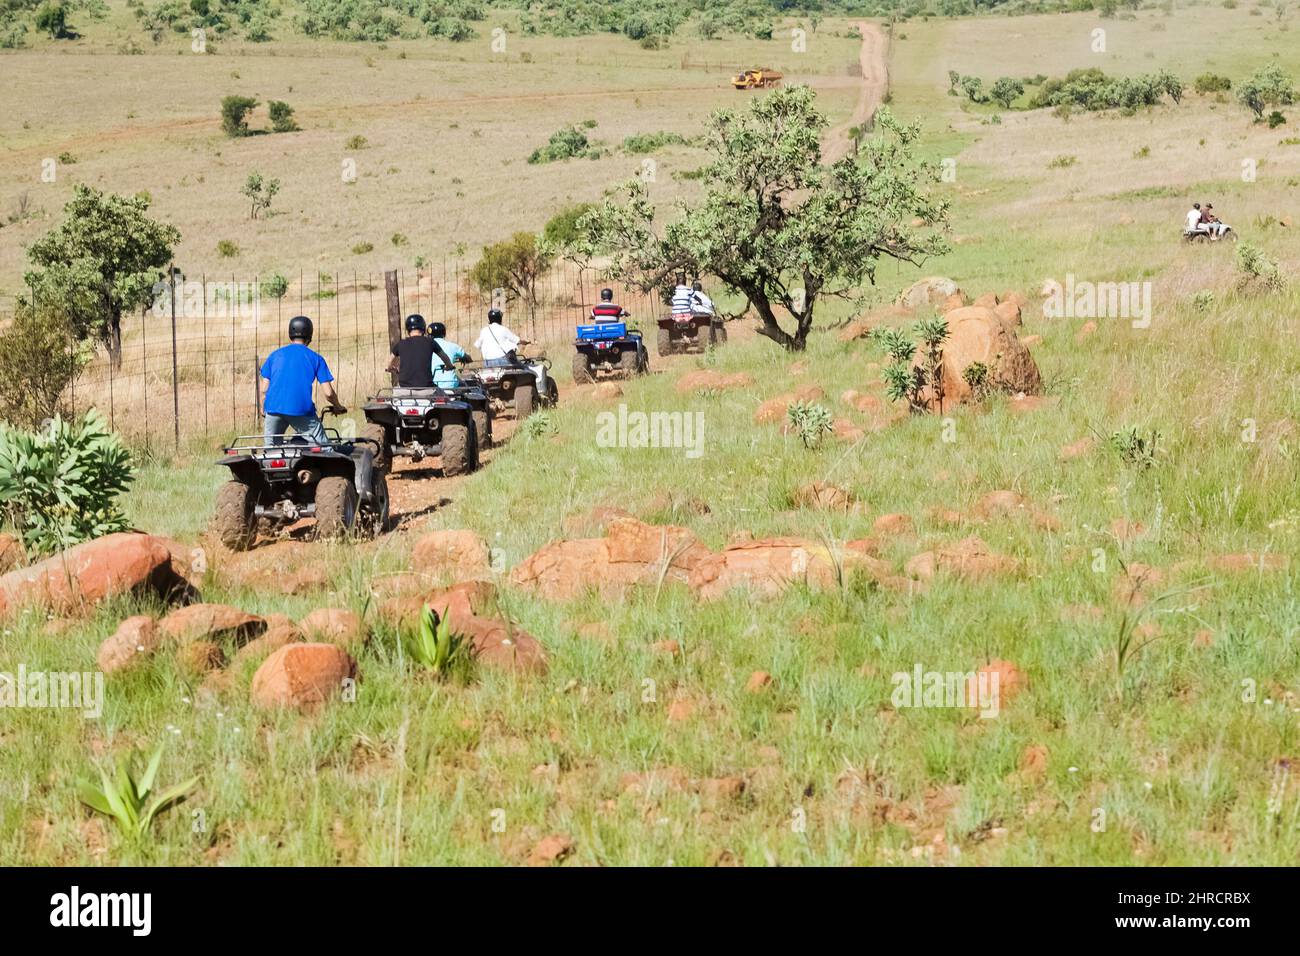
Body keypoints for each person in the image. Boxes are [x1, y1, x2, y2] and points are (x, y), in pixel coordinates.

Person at [260, 315, 345, 446]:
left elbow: (264, 389)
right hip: (300, 410)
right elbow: (328, 393)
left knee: (271, 452)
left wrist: (263, 407)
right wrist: (338, 406)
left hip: (272, 408)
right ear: (309, 336)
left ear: (290, 335)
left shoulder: (274, 355)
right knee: (325, 449)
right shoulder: (316, 358)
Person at [387, 313, 440, 388]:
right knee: (445, 398)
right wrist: (449, 366)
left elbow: (390, 360)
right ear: (423, 328)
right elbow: (445, 358)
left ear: (408, 329)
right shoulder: (430, 342)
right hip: (427, 389)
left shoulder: (401, 343)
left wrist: (390, 368)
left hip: (404, 390)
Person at [429, 320, 469, 388]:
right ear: (444, 334)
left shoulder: (426, 348)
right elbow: (467, 357)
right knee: (464, 384)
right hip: (451, 384)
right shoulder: (452, 346)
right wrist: (463, 358)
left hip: (433, 384)